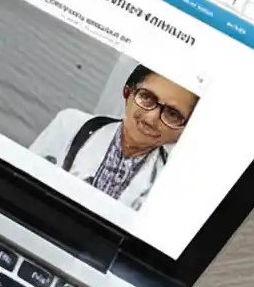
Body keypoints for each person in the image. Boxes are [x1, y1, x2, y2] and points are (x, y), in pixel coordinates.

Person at [30, 65, 198, 210]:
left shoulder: (171, 183)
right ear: (127, 92)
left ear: (184, 129)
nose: (151, 117)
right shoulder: (69, 124)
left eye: (172, 114)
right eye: (146, 97)